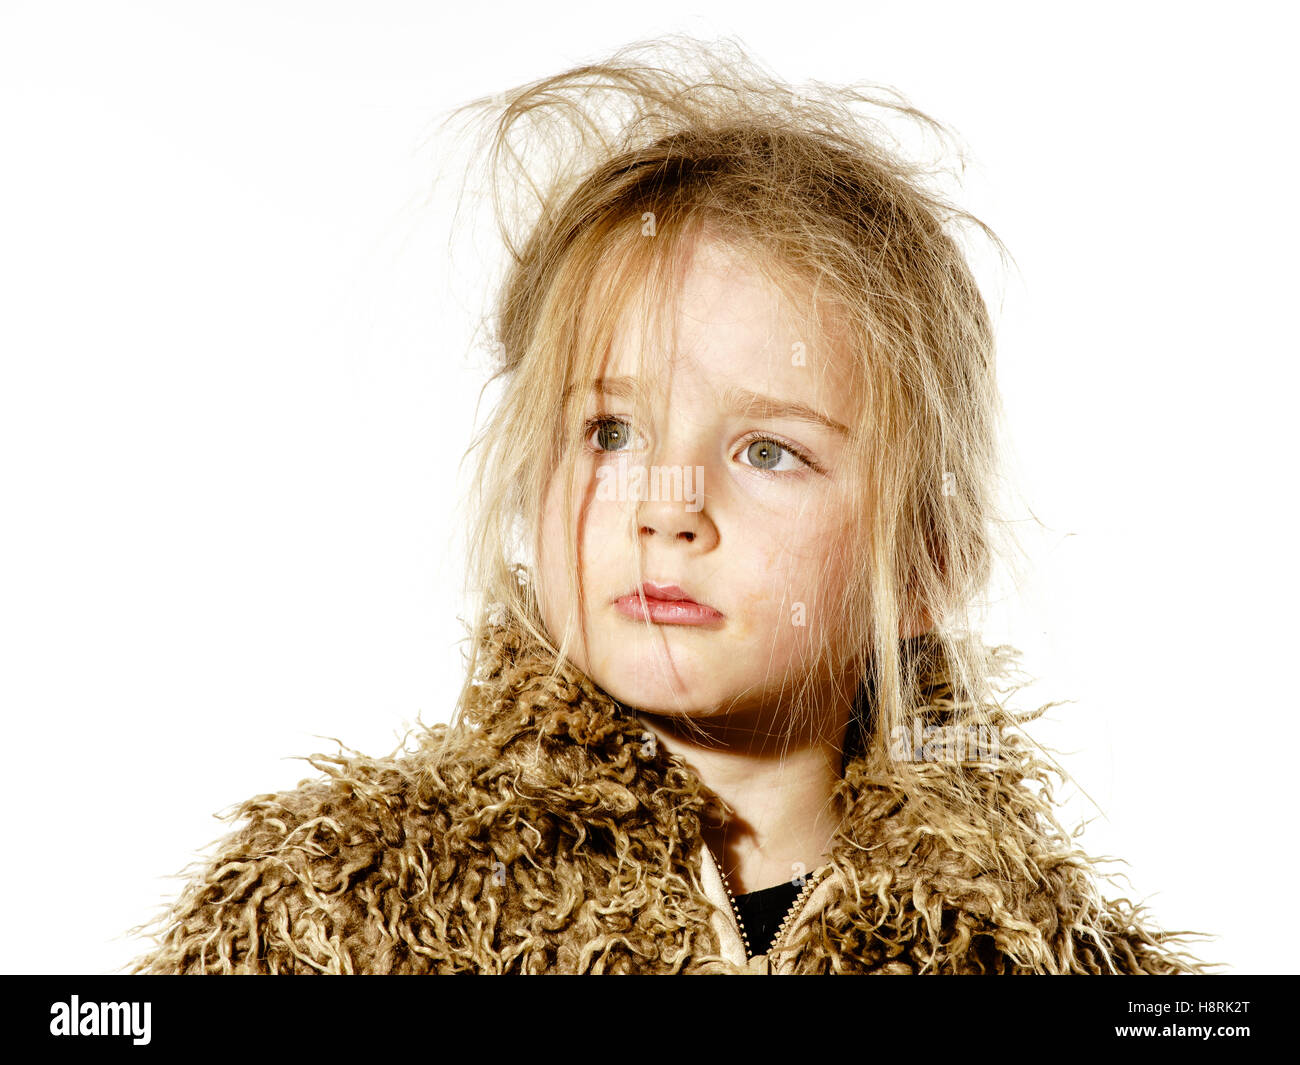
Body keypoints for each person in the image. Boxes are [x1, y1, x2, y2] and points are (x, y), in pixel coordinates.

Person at [131, 36, 1210, 975]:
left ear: (924, 563)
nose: (667, 506)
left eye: (767, 450)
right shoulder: (334, 912)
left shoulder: (1051, 959)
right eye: (611, 432)